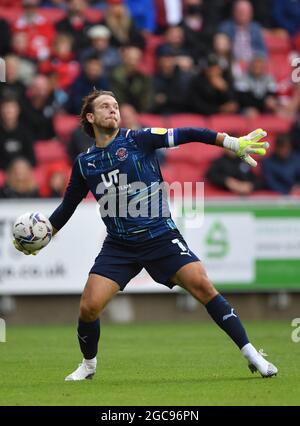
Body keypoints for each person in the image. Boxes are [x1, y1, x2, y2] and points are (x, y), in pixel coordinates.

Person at [13, 89, 278, 381]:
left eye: (115, 105)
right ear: (91, 117)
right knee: (89, 307)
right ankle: (88, 366)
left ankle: (253, 354)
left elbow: (189, 132)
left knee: (203, 287)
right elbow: (68, 206)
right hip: (119, 245)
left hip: (160, 236)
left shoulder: (138, 139)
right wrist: (47, 233)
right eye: (105, 106)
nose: (113, 110)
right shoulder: (84, 163)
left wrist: (230, 142)